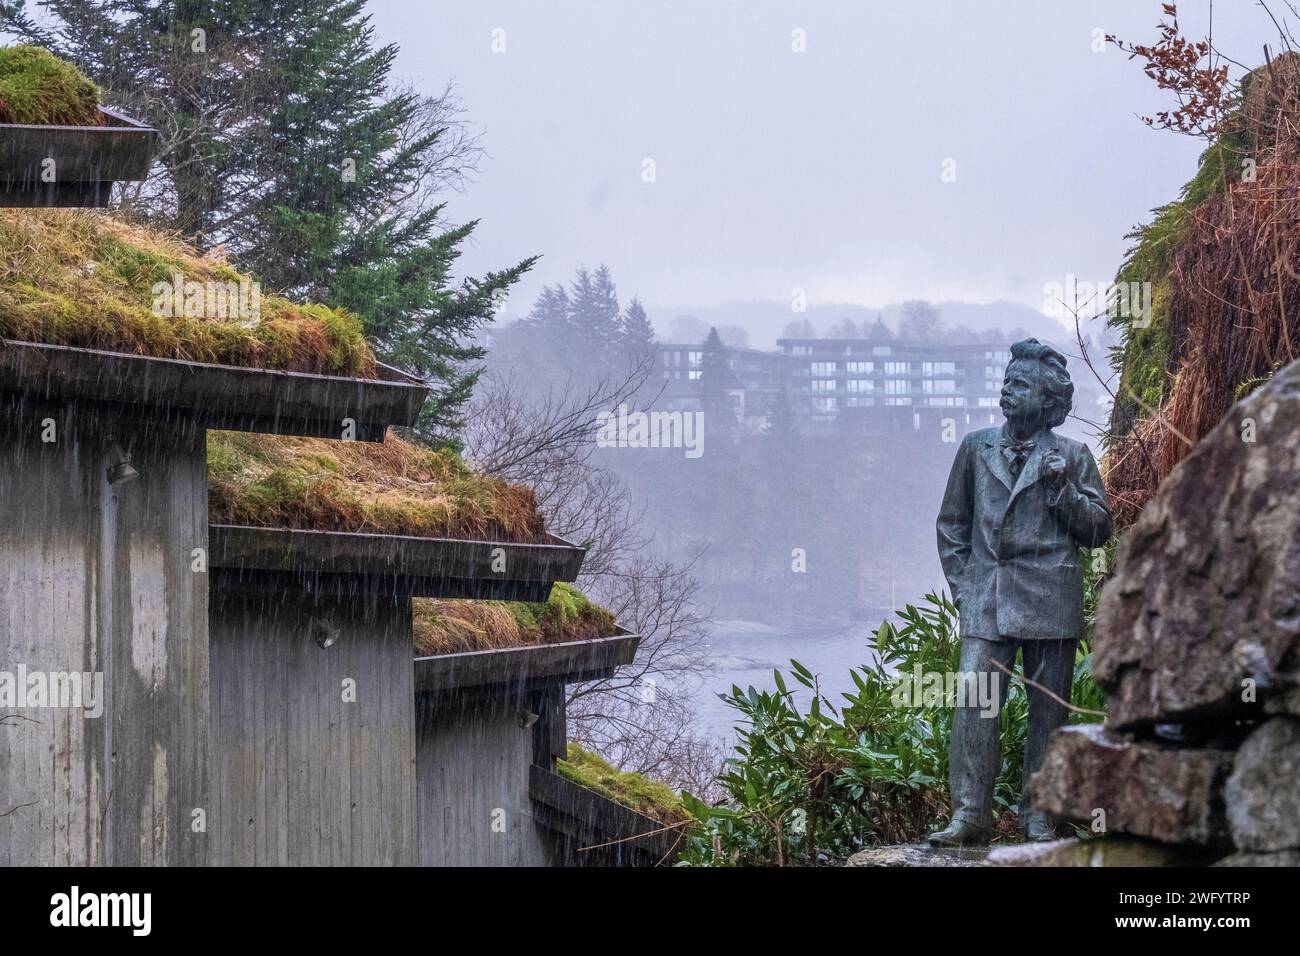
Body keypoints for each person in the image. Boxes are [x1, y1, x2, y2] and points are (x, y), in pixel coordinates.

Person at [929, 338, 1112, 846]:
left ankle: (1039, 816)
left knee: (1047, 711)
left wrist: (1064, 492)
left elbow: (1098, 530)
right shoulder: (975, 447)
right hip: (986, 599)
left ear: (1049, 401)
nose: (1008, 391)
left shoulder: (1073, 456)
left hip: (1052, 599)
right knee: (974, 700)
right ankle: (970, 816)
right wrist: (965, 587)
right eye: (1007, 381)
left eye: (1021, 385)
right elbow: (951, 524)